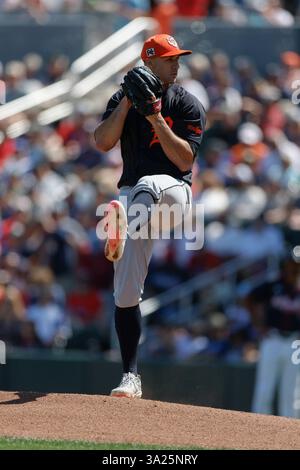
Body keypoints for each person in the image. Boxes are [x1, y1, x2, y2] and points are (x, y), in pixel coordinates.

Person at [94, 34, 206, 398]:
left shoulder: (185, 102)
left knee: (149, 184)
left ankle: (120, 226)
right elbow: (102, 141)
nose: (177, 64)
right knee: (125, 293)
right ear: (150, 62)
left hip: (174, 194)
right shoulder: (121, 97)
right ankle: (131, 377)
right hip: (133, 199)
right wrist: (128, 102)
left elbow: (185, 161)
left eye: (178, 58)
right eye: (170, 58)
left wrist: (155, 117)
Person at [249, 254, 300, 417]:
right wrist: (258, 325)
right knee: (265, 387)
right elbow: (249, 299)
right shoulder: (274, 286)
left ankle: (292, 432)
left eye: (297, 265)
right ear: (285, 266)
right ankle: (258, 429)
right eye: (291, 264)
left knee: (292, 390)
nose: (294, 269)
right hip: (273, 339)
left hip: (295, 342)